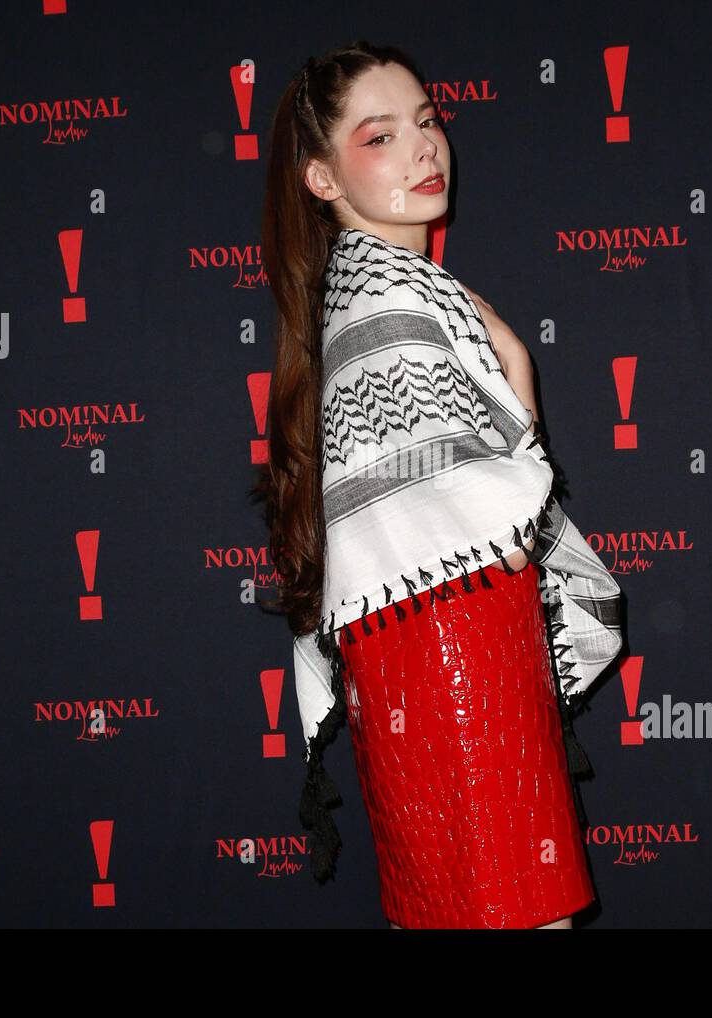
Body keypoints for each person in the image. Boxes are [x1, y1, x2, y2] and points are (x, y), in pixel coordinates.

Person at [253, 40, 624, 929]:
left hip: (452, 650)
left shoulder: (394, 293)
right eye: (380, 136)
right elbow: (469, 506)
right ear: (320, 176)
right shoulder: (388, 304)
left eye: (427, 123)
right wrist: (522, 390)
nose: (424, 150)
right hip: (454, 650)